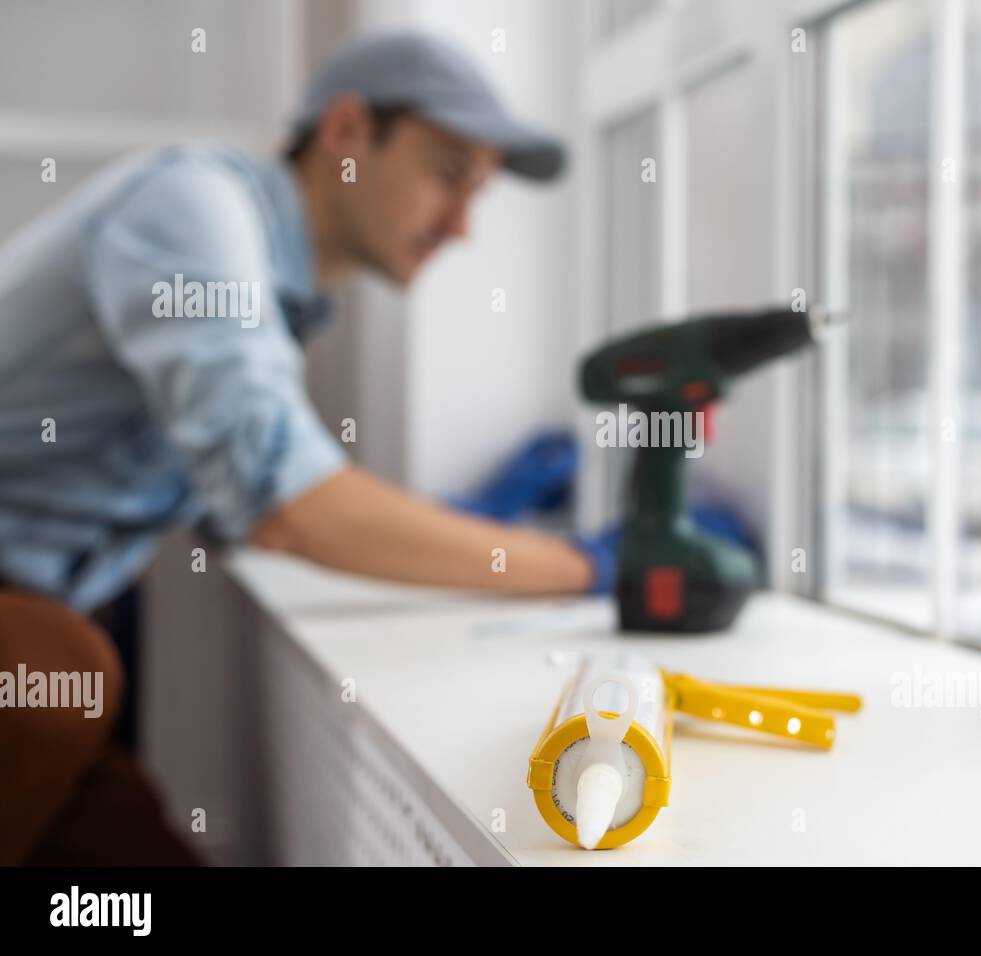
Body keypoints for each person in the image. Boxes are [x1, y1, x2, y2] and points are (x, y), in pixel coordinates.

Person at [0, 32, 605, 865]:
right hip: (32, 640)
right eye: (449, 173)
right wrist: (588, 569)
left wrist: (466, 529)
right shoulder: (193, 207)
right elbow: (289, 504)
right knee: (57, 678)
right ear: (349, 132)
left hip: (39, 608)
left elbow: (247, 501)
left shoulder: (276, 294)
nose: (464, 226)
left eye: (482, 193)